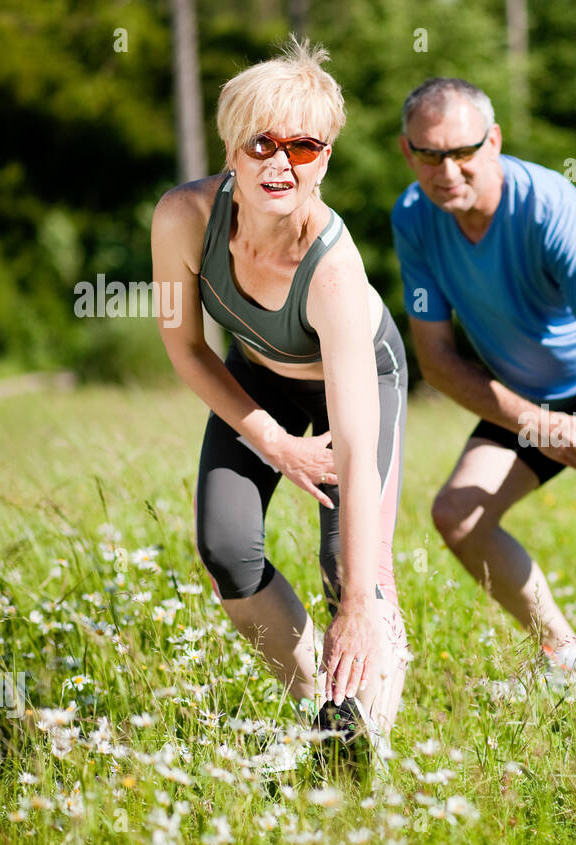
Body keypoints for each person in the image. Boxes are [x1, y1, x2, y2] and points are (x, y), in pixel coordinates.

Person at [391, 77, 576, 732]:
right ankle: (567, 661)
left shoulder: (551, 209)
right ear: (407, 152)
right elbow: (438, 363)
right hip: (534, 396)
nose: (448, 171)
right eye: (429, 155)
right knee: (457, 515)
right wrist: (533, 420)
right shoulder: (413, 217)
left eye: (464, 152)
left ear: (493, 141)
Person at [149, 37, 409, 753]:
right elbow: (188, 349)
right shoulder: (183, 218)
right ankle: (324, 717)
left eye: (302, 145)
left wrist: (357, 600)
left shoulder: (333, 270)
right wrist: (272, 440)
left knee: (351, 566)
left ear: (326, 158)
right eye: (260, 143)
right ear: (231, 149)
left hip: (354, 391)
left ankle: (368, 733)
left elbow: (355, 443)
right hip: (258, 379)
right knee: (227, 547)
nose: (280, 162)